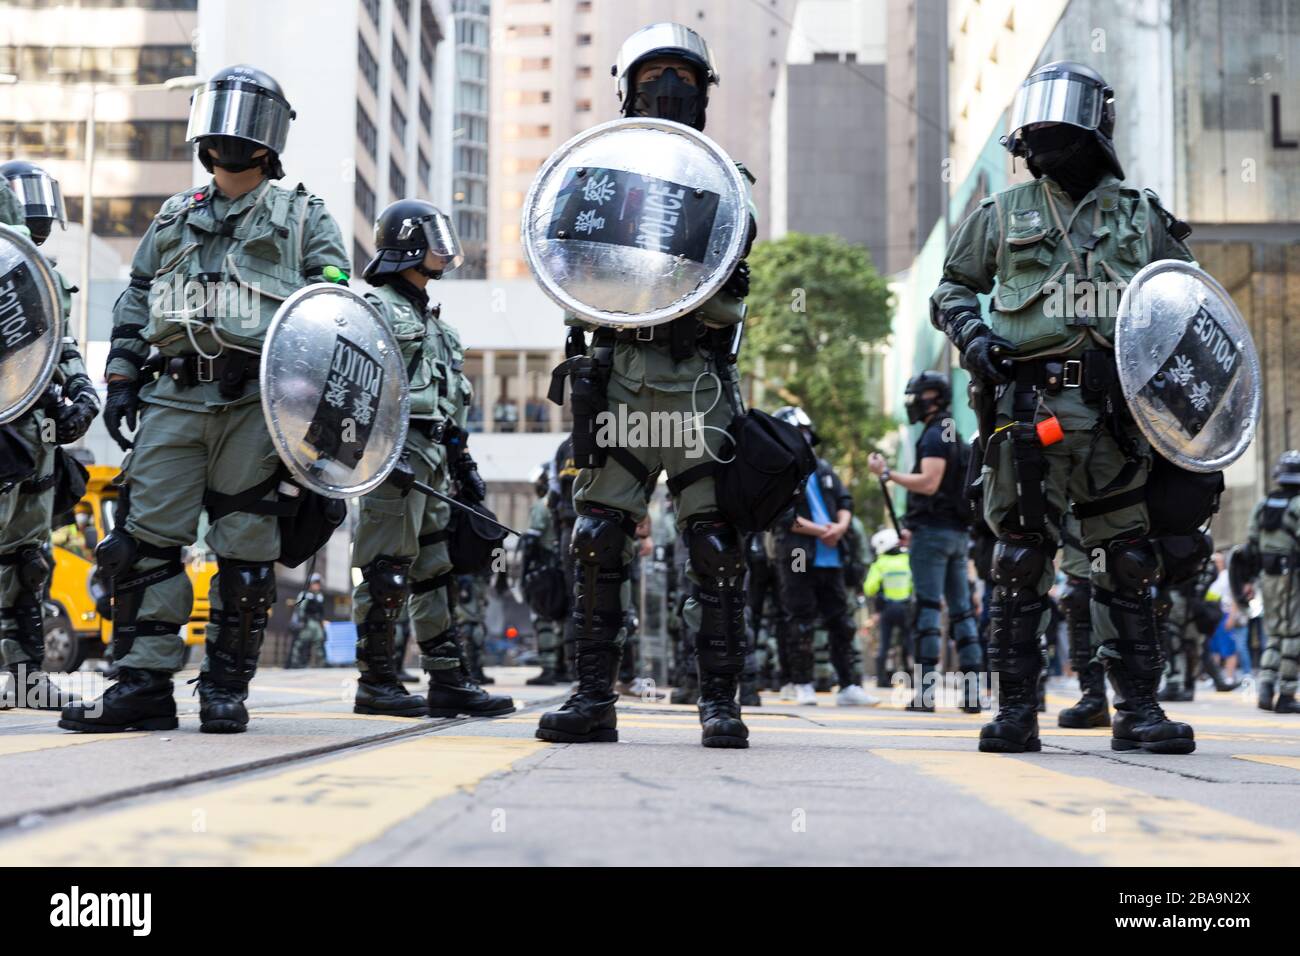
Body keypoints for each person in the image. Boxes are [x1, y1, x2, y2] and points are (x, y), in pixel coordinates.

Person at [61, 65, 349, 734]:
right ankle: (142, 685)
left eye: (248, 117)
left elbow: (335, 311)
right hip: (172, 397)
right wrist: (123, 376)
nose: (231, 130)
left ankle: (225, 688)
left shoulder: (304, 216)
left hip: (257, 404)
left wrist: (318, 418)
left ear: (271, 138)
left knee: (246, 546)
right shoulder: (173, 216)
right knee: (142, 544)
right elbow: (136, 296)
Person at [931, 61, 1199, 754]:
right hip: (1030, 412)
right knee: (1022, 559)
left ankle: (1137, 711)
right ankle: (1017, 712)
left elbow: (1189, 304)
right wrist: (976, 336)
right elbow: (952, 290)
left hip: (1117, 418)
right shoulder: (1003, 214)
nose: (1050, 138)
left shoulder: (1142, 216)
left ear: (1096, 127)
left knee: (1128, 560)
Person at [536, 22, 756, 748]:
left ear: (704, 96)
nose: (669, 87)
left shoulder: (726, 182)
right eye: (657, 73)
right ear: (628, 86)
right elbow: (572, 284)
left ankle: (720, 702)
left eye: (685, 77)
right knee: (597, 536)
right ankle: (594, 695)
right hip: (620, 378)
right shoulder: (593, 178)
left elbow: (727, 295)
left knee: (715, 543)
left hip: (697, 381)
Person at [348, 198, 512, 719]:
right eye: (432, 236)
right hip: (395, 455)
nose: (444, 248)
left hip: (435, 458)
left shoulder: (439, 325)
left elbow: (451, 404)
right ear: (408, 244)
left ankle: (447, 679)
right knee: (385, 568)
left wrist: (465, 469)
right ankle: (376, 680)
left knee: (435, 571)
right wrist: (375, 453)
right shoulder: (373, 307)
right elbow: (355, 389)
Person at [0, 163, 98, 710]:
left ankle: (25, 676)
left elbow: (58, 343)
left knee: (31, 558)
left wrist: (81, 392)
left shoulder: (40, 271)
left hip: (34, 431)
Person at [869, 371, 981, 713]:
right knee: (962, 613)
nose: (913, 402)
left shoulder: (935, 435)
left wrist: (887, 475)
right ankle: (974, 694)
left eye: (918, 395)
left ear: (932, 397)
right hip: (955, 534)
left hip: (933, 535)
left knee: (928, 610)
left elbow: (930, 483)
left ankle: (925, 694)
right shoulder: (952, 431)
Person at [772, 406, 878, 707]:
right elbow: (781, 516)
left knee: (841, 623)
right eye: (797, 433)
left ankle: (848, 685)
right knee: (800, 620)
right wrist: (822, 531)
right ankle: (801, 683)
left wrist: (840, 527)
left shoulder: (824, 468)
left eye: (805, 433)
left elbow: (845, 500)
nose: (803, 438)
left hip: (831, 556)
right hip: (797, 553)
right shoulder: (779, 472)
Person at [1239, 451, 1300, 713]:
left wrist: (1249, 579)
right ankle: (1286, 694)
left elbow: (1250, 546)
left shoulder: (1263, 505)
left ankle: (1266, 688)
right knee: (1293, 632)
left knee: (1274, 632)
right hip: (1292, 575)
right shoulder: (1298, 505)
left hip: (1267, 575)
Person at [1056, 515, 1108, 727]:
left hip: (1110, 514)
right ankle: (1094, 695)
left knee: (1104, 588)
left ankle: (1136, 700)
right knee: (1082, 593)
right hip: (1078, 512)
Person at [523, 462, 566, 685]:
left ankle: (548, 667)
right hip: (564, 567)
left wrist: (523, 572)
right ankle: (563, 666)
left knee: (543, 618)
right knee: (564, 617)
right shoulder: (566, 503)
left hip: (545, 569)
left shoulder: (542, 505)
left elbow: (531, 541)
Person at [865, 528, 913, 688]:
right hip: (906, 608)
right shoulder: (908, 560)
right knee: (909, 643)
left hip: (887, 609)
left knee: (885, 644)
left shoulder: (880, 563)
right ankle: (911, 677)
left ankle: (882, 679)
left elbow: (869, 588)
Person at [288, 573, 326, 669]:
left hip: (315, 622)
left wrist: (322, 621)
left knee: (319, 641)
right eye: (315, 583)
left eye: (318, 583)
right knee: (301, 643)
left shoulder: (319, 596)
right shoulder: (305, 595)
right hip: (306, 622)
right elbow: (300, 610)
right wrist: (301, 622)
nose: (317, 585)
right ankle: (296, 662)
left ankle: (322, 662)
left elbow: (321, 611)